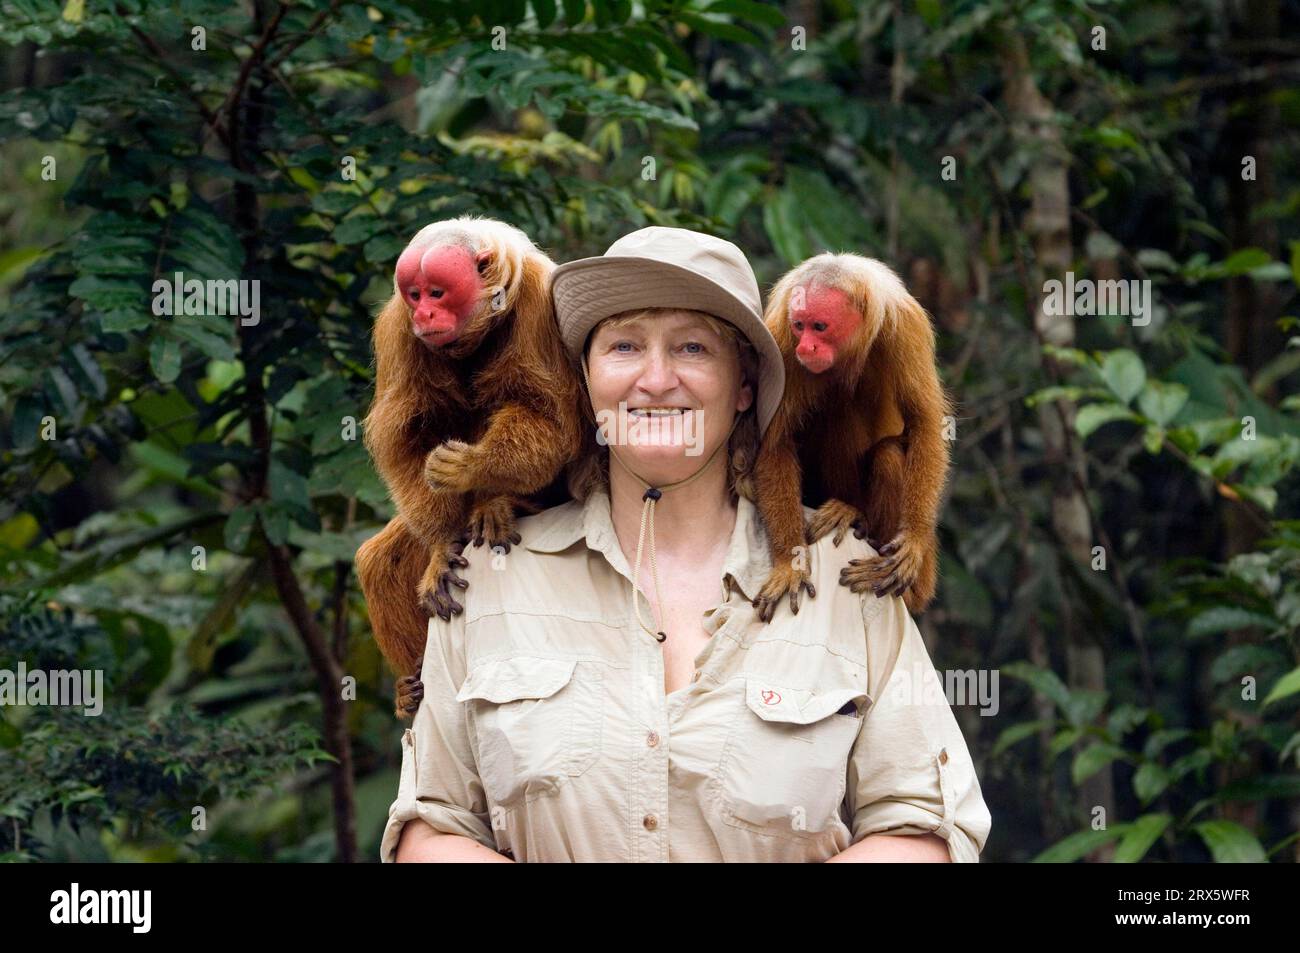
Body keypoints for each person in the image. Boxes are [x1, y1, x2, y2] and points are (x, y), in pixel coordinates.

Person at [379, 226, 991, 862]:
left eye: (693, 348)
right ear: (586, 384)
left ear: (745, 387)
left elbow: (926, 826)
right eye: (623, 346)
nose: (656, 379)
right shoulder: (487, 574)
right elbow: (431, 824)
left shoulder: (845, 574)